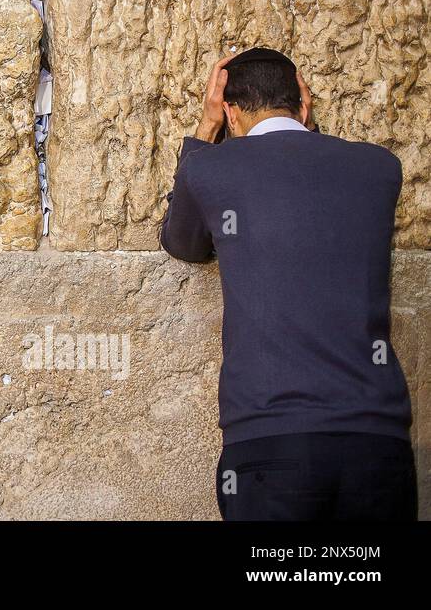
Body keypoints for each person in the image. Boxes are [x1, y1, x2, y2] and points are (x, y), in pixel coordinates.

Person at [161, 47, 415, 521]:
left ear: (230, 110)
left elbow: (184, 242)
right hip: (377, 441)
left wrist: (205, 130)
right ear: (303, 101)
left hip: (269, 440)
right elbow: (309, 186)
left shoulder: (209, 168)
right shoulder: (381, 167)